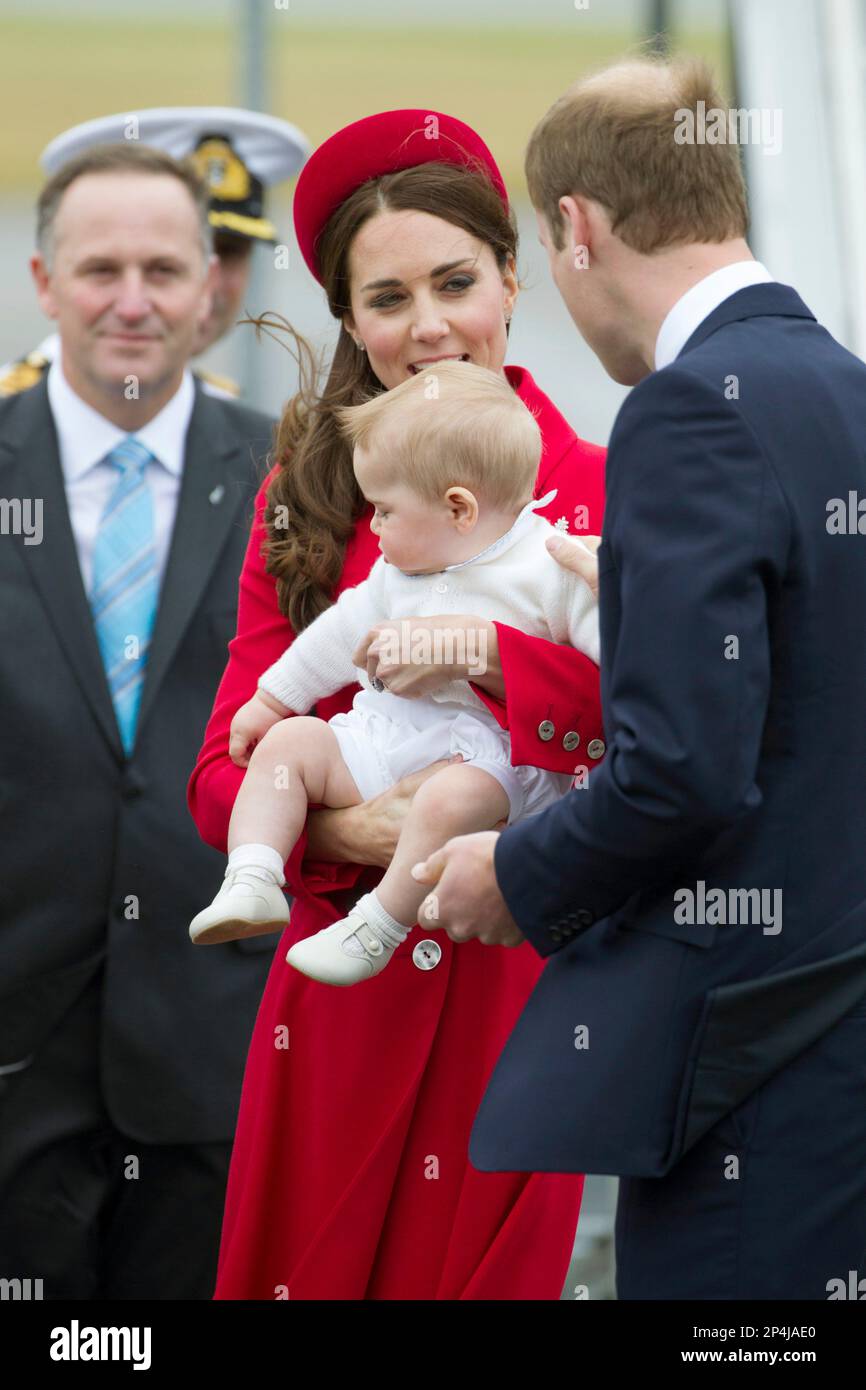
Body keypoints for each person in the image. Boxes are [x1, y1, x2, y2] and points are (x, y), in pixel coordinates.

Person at [416, 56, 866, 1301]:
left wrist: (514, 872)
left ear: (574, 227)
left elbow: (681, 769)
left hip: (752, 1066)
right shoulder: (843, 393)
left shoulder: (688, 411)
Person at [188, 108, 606, 1300]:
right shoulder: (314, 494)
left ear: (513, 279)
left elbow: (660, 745)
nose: (427, 330)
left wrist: (489, 661)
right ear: (350, 322)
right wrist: (364, 832)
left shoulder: (601, 493)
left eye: (455, 282)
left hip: (513, 991)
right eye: (385, 300)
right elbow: (221, 772)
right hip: (332, 1001)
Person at [0, 142, 275, 1298]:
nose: (130, 300)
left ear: (211, 286)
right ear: (43, 279)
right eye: (98, 267)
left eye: (163, 269)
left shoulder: (291, 474)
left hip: (212, 1042)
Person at [188, 361, 599, 986]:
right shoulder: (399, 570)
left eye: (383, 510)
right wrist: (273, 700)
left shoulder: (552, 566)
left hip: (488, 759)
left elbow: (621, 675)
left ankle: (377, 926)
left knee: (448, 801)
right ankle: (253, 876)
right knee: (291, 745)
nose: (372, 525)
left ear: (457, 508)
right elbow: (336, 634)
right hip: (386, 737)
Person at [0, 106, 309, 399]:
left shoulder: (240, 424)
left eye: (228, 252)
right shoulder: (12, 410)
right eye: (105, 268)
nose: (207, 285)